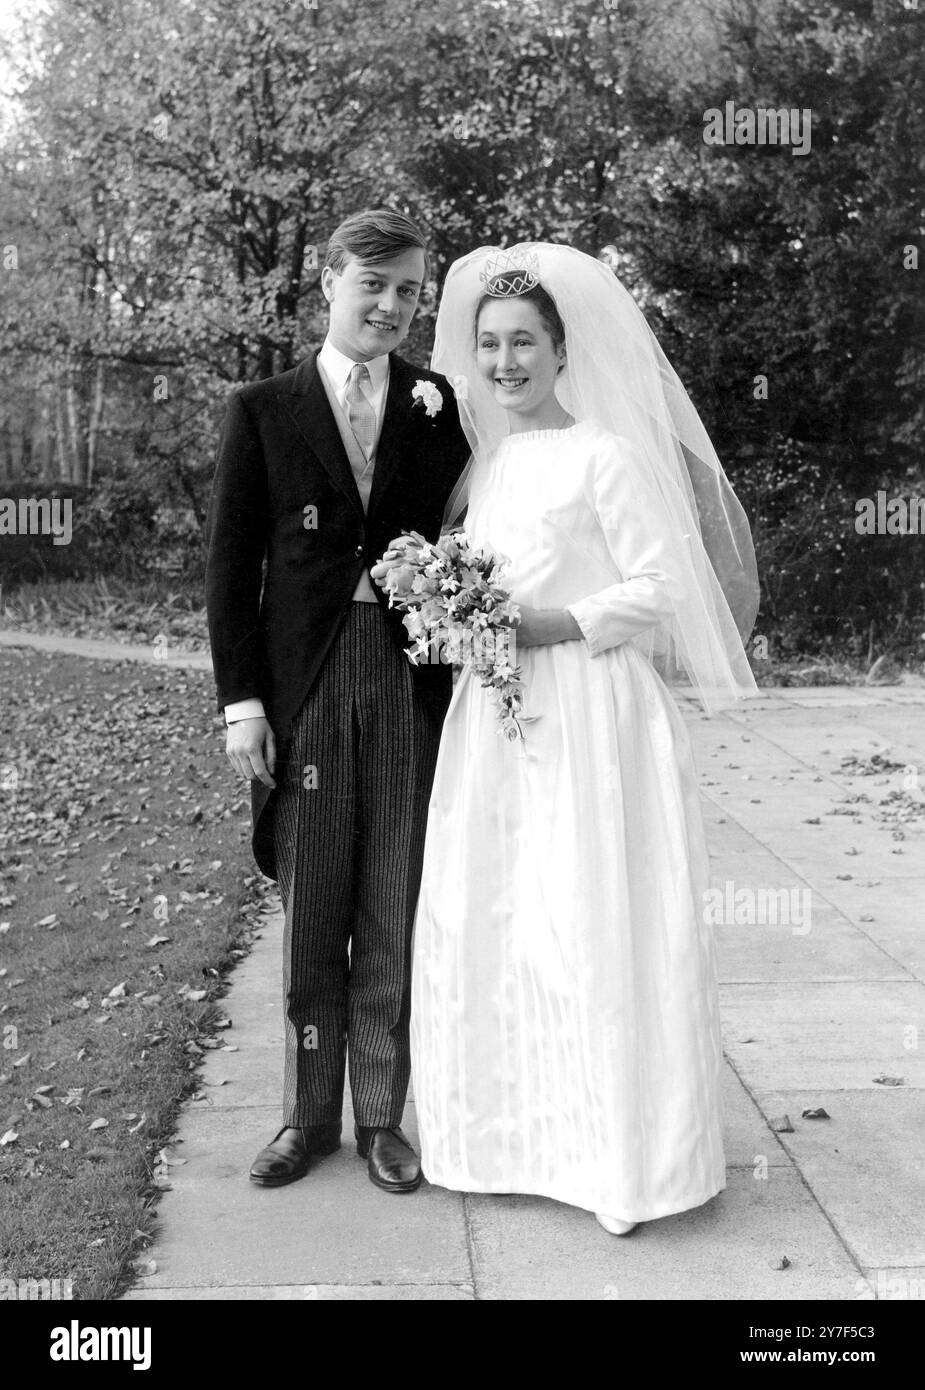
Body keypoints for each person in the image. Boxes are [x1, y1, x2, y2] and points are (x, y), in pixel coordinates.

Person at [405, 243, 759, 1234]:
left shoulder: (603, 452)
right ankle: (512, 1138)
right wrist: (460, 620)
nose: (505, 361)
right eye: (488, 345)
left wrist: (547, 626)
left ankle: (623, 1163)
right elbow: (466, 586)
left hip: (595, 715)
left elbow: (659, 587)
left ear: (562, 352)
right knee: (505, 920)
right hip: (502, 717)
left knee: (598, 922)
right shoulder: (494, 463)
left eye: (524, 342)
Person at [204, 209, 471, 1192]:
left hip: (407, 676)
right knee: (312, 906)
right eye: (377, 285)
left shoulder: (437, 402)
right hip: (305, 681)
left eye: (410, 290)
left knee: (392, 901)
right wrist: (243, 706)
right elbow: (232, 572)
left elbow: (464, 536)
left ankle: (381, 1123)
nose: (394, 306)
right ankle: (303, 1120)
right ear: (329, 282)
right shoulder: (264, 408)